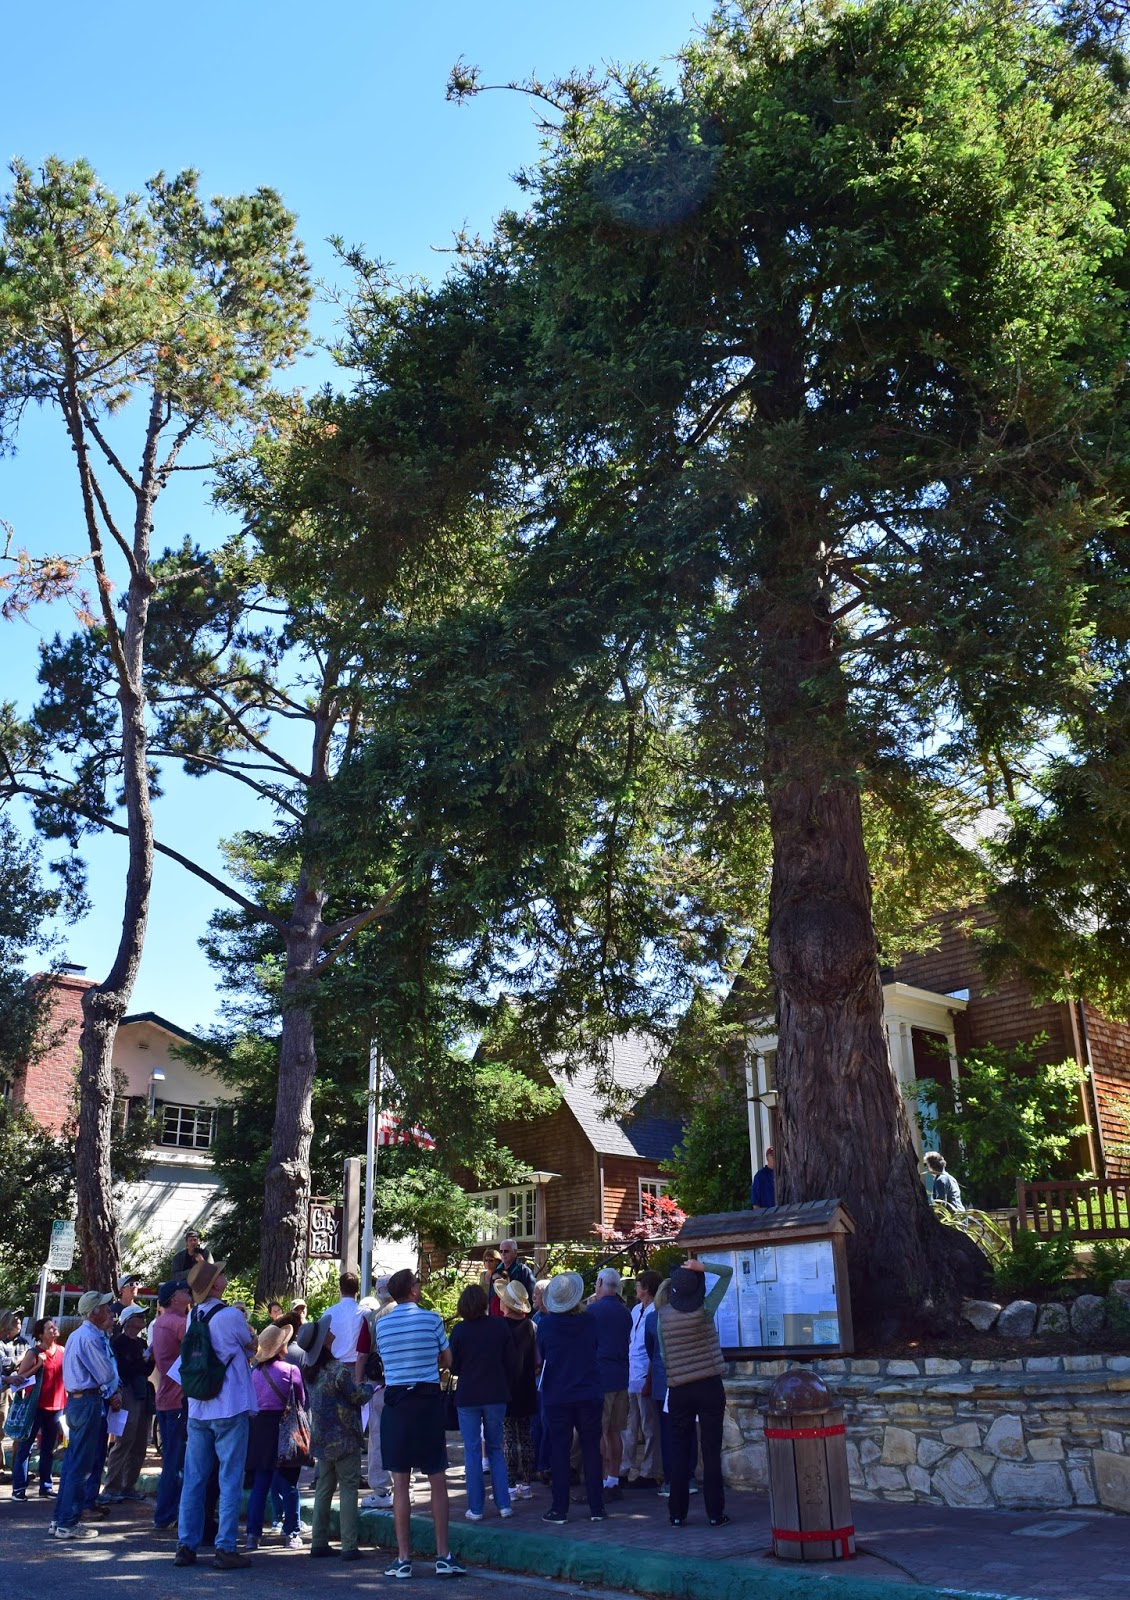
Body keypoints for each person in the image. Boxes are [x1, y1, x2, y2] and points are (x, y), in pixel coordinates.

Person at [374, 1268, 465, 1581]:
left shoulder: (382, 1324)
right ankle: (443, 1555)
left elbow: (387, 1360)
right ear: (412, 1291)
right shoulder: (432, 1319)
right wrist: (430, 1360)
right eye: (417, 1283)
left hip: (397, 1404)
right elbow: (448, 1360)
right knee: (437, 1477)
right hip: (426, 1402)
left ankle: (403, 1558)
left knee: (400, 1483)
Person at [174, 1258, 258, 1570]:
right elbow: (251, 1347)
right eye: (220, 1276)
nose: (223, 1277)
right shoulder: (231, 1316)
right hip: (229, 1405)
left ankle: (186, 1544)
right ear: (216, 1286)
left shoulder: (192, 1315)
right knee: (230, 1478)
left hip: (198, 1407)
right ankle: (225, 1547)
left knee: (194, 1479)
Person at [657, 1258, 734, 1529]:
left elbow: (664, 1356)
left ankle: (677, 1513)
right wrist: (702, 1267)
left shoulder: (663, 1316)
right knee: (711, 1451)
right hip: (709, 1384)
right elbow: (727, 1273)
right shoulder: (705, 1309)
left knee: (679, 1450)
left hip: (679, 1388)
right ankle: (715, 1513)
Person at [52, 1290, 124, 1541]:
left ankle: (60, 1519)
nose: (109, 1311)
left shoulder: (77, 1335)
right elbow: (106, 1374)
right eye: (104, 1307)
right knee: (81, 1465)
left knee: (73, 1462)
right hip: (88, 1402)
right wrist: (113, 1391)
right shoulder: (91, 1337)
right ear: (94, 1312)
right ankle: (68, 1523)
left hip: (76, 1401)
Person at [536, 1271, 604, 1524]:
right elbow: (596, 1346)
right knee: (591, 1450)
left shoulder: (546, 1325)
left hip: (558, 1393)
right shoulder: (590, 1321)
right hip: (589, 1390)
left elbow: (542, 1354)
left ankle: (559, 1508)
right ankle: (597, 1507)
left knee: (559, 1451)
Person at [448, 1283, 514, 1521]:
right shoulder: (500, 1325)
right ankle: (504, 1503)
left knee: (473, 1450)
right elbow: (510, 1359)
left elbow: (454, 1366)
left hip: (468, 1395)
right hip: (496, 1393)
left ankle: (476, 1508)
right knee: (496, 1447)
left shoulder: (459, 1331)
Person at [244, 1323, 307, 1552]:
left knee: (261, 1484)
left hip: (260, 1429)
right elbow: (301, 1401)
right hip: (285, 1427)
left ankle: (253, 1534)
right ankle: (292, 1533)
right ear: (281, 1347)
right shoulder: (291, 1371)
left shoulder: (254, 1372)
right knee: (289, 1484)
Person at [101, 1303, 155, 1502]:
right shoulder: (118, 1343)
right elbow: (123, 1369)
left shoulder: (142, 1343)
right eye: (139, 1316)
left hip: (141, 1392)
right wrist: (144, 1361)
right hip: (126, 1392)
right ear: (128, 1321)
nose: (143, 1319)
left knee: (140, 1441)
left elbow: (145, 1370)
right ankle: (111, 1487)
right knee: (124, 1439)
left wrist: (150, 1360)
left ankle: (128, 1485)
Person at [9, 1315, 65, 1500]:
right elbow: (20, 1377)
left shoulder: (62, 1351)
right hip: (35, 1406)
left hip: (56, 1406)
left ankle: (46, 1486)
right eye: (50, 1328)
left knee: (48, 1448)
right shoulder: (33, 1353)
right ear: (41, 1334)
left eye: (54, 1326)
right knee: (26, 1447)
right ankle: (19, 1488)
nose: (54, 1329)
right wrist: (39, 1365)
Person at [587, 1266, 632, 1499]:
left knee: (599, 1431)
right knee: (615, 1431)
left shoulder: (592, 1311)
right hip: (621, 1376)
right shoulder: (626, 1313)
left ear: (601, 1283)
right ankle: (613, 1478)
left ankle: (602, 1480)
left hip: (600, 1376)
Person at [150, 1279, 190, 1530]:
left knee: (171, 1459)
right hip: (178, 1399)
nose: (189, 1293)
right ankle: (168, 1513)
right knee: (177, 1461)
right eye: (184, 1291)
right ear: (175, 1298)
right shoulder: (179, 1323)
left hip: (166, 1397)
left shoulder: (159, 1322)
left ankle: (166, 1512)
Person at [357, 1275, 394, 1511]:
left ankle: (381, 1489)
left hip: (379, 1383)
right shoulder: (407, 1312)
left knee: (378, 1435)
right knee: (402, 1433)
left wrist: (359, 1382)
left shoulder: (372, 1318)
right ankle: (406, 1484)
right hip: (405, 1383)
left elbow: (362, 1354)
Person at [499, 1280, 538, 1500]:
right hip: (527, 1385)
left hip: (505, 1387)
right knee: (525, 1435)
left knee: (509, 1436)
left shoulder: (498, 1327)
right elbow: (537, 1360)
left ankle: (510, 1484)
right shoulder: (531, 1326)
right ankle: (526, 1483)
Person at [623, 1269, 662, 1487]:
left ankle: (649, 1471)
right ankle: (625, 1468)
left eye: (638, 1285)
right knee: (630, 1426)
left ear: (646, 1288)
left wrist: (649, 1380)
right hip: (632, 1375)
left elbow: (653, 1349)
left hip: (646, 1375)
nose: (635, 1289)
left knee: (649, 1426)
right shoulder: (636, 1310)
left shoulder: (657, 1311)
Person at [0, 1307, 31, 1434]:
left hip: (20, 1388)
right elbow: (4, 1364)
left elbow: (29, 1361)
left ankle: (16, 1447)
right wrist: (21, 1358)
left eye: (19, 1319)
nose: (18, 1322)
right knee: (2, 1423)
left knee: (18, 1425)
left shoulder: (23, 1342)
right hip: (4, 1388)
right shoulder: (2, 1342)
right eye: (14, 1319)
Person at [326, 1269, 365, 1364]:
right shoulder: (365, 1312)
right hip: (358, 1365)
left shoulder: (329, 1313)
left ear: (340, 1289)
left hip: (334, 1364)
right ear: (357, 1289)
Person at [491, 1239, 537, 1315]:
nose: (503, 1254)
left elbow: (532, 1298)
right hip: (498, 1315)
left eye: (506, 1251)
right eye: (501, 1251)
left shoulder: (524, 1271)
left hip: (518, 1315)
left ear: (515, 1252)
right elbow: (491, 1296)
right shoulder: (496, 1271)